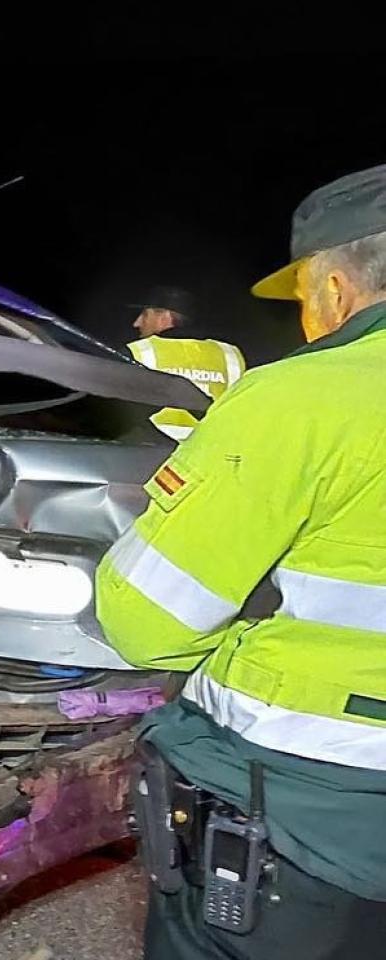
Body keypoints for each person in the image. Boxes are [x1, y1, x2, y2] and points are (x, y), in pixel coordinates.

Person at [96, 163, 386, 959]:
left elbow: (145, 624)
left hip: (316, 810)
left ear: (332, 288)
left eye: (300, 299)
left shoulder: (299, 397)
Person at [125, 285, 247, 440]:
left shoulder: (138, 351)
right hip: (215, 452)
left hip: (151, 454)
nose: (137, 323)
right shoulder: (229, 354)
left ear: (164, 317)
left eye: (144, 314)